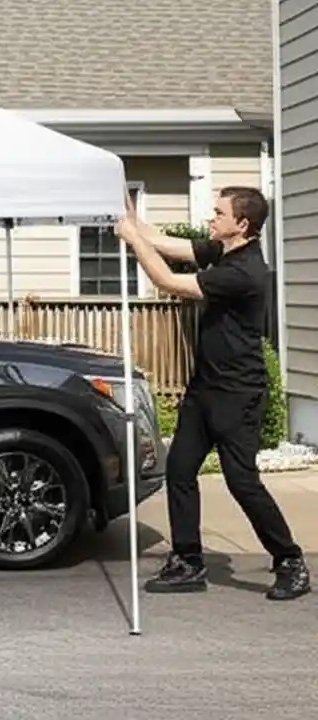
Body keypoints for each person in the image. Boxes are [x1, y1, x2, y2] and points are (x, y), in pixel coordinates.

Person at [115, 185, 310, 600]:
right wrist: (132, 220)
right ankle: (188, 561)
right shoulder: (226, 252)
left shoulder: (244, 272)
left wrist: (132, 240)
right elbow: (171, 245)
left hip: (238, 395)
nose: (211, 218)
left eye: (218, 213)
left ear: (242, 224)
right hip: (204, 389)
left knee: (242, 482)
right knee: (181, 470)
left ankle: (290, 560)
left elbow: (167, 279)